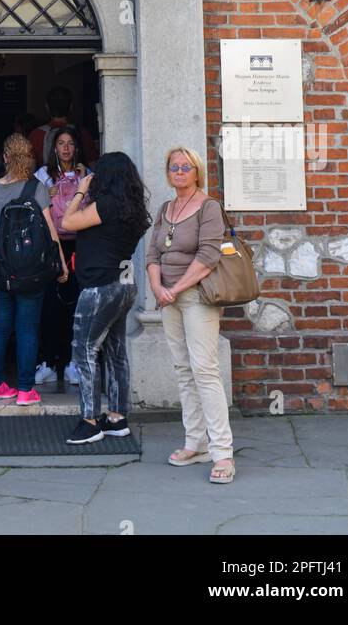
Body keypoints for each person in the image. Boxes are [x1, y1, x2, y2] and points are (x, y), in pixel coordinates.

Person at [145, 145, 234, 484]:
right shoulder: (166, 208)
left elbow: (209, 254)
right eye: (174, 167)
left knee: (205, 370)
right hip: (168, 298)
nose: (179, 172)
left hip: (197, 296)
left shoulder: (209, 207)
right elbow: (152, 251)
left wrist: (177, 288)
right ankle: (195, 443)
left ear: (197, 171)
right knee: (183, 370)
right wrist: (157, 288)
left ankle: (222, 452)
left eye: (186, 167)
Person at [60, 151, 151, 444]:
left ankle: (89, 422)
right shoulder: (133, 209)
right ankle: (116, 417)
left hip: (100, 287)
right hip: (124, 286)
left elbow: (68, 223)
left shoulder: (107, 204)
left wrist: (80, 190)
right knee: (115, 353)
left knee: (84, 352)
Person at [0, 133, 67, 406]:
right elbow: (50, 231)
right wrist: (62, 263)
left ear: (5, 157)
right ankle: (25, 390)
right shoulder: (37, 188)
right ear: (29, 158)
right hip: (30, 268)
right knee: (27, 327)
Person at [33, 125, 88, 388]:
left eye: (70, 143)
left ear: (76, 147)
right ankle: (47, 362)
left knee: (76, 305)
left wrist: (84, 180)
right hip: (50, 246)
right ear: (54, 148)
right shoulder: (43, 176)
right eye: (61, 143)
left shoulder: (87, 174)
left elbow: (93, 206)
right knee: (48, 306)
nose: (66, 148)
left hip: (78, 246)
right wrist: (46, 194)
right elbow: (31, 207)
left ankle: (71, 363)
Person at [29, 84, 99, 169]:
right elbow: (93, 166)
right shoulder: (82, 133)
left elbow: (29, 169)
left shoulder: (36, 135)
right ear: (71, 107)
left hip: (45, 181)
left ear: (47, 107)